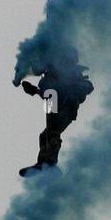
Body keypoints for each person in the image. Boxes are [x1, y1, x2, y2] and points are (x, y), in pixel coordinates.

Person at [18, 47, 94, 175]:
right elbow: (47, 91)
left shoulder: (72, 73)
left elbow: (87, 86)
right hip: (51, 100)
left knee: (53, 131)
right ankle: (43, 163)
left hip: (66, 105)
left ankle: (50, 162)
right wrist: (34, 90)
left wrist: (71, 91)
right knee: (46, 134)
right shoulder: (52, 74)